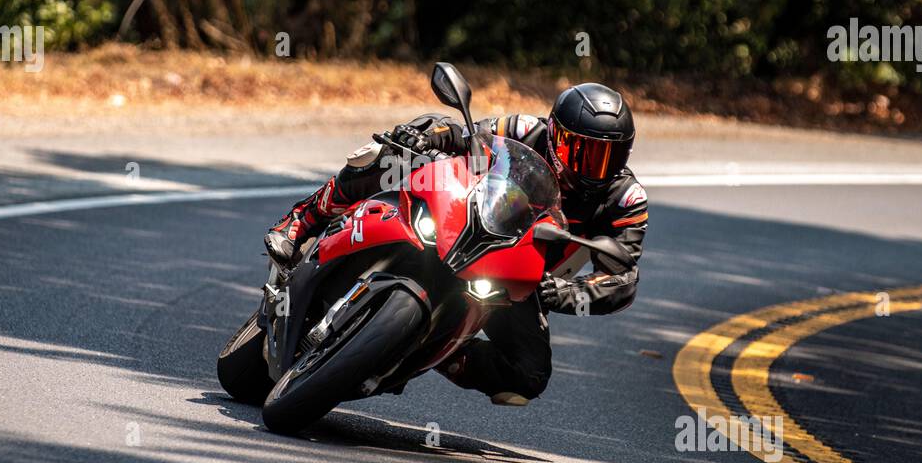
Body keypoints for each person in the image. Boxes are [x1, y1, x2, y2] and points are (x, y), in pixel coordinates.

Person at [265, 83, 647, 405]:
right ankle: (302, 220)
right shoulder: (524, 128)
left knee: (528, 375)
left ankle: (428, 353)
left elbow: (622, 275)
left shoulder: (626, 199)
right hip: (462, 218)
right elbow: (468, 136)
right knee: (391, 152)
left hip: (516, 276)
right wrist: (428, 136)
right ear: (554, 133)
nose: (589, 165)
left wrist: (560, 292)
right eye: (577, 149)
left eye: (605, 157)